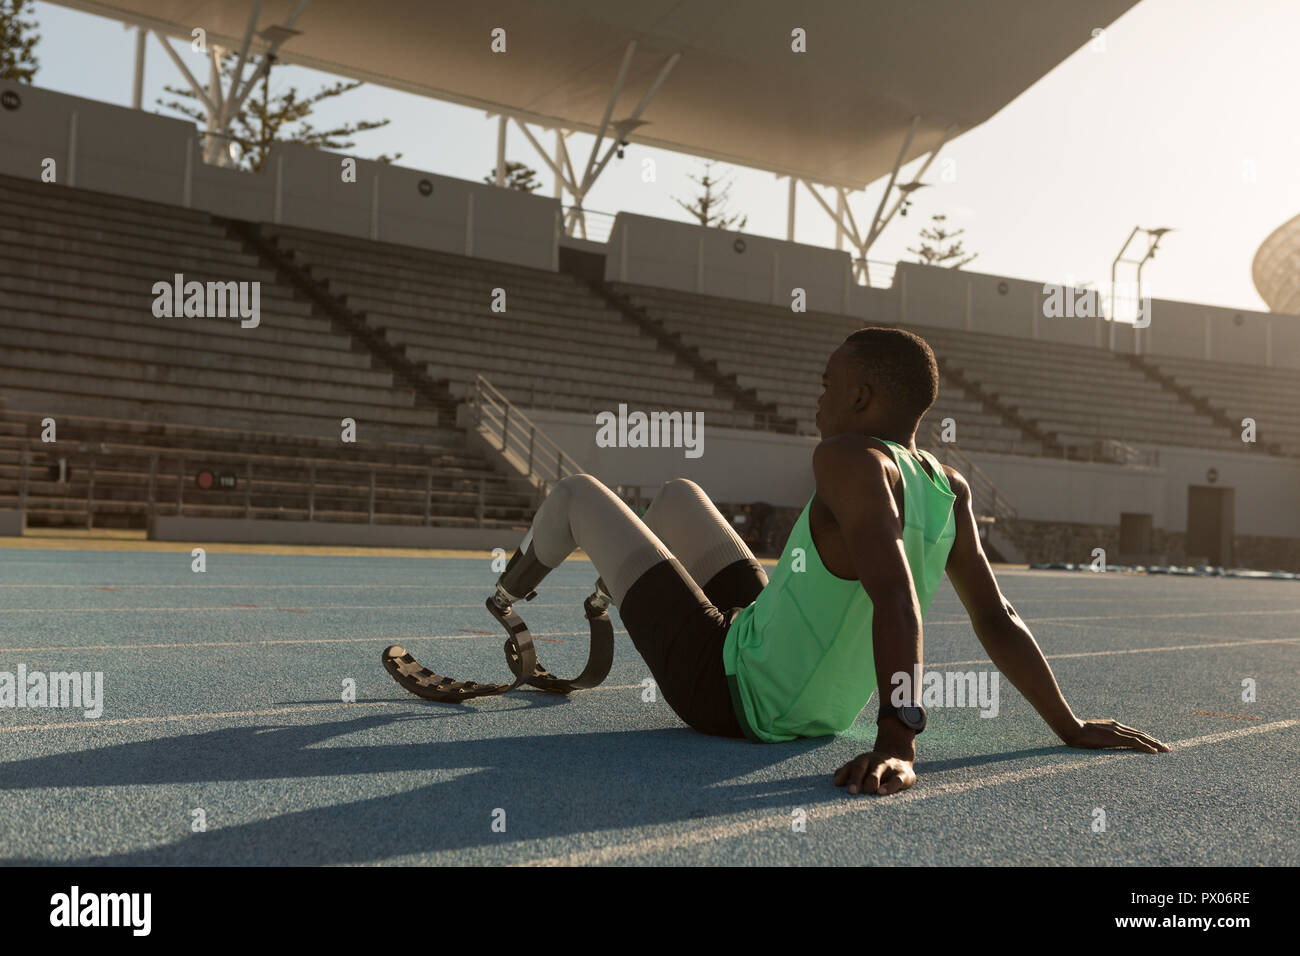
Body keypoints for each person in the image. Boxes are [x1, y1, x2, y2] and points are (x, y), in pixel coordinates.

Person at [488, 327, 1169, 797]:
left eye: (825, 385)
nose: (816, 399)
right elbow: (997, 615)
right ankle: (625, 587)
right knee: (676, 496)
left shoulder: (845, 457)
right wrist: (1068, 724)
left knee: (576, 493)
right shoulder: (946, 485)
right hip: (799, 688)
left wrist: (899, 740)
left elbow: (896, 598)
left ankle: (509, 595)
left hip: (730, 694)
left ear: (861, 398)